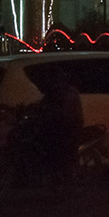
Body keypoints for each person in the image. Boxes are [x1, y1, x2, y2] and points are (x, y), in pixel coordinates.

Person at [31, 65, 84, 193]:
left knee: (64, 157)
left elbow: (62, 111)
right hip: (62, 127)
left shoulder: (64, 92)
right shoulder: (57, 91)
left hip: (67, 129)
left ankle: (70, 186)